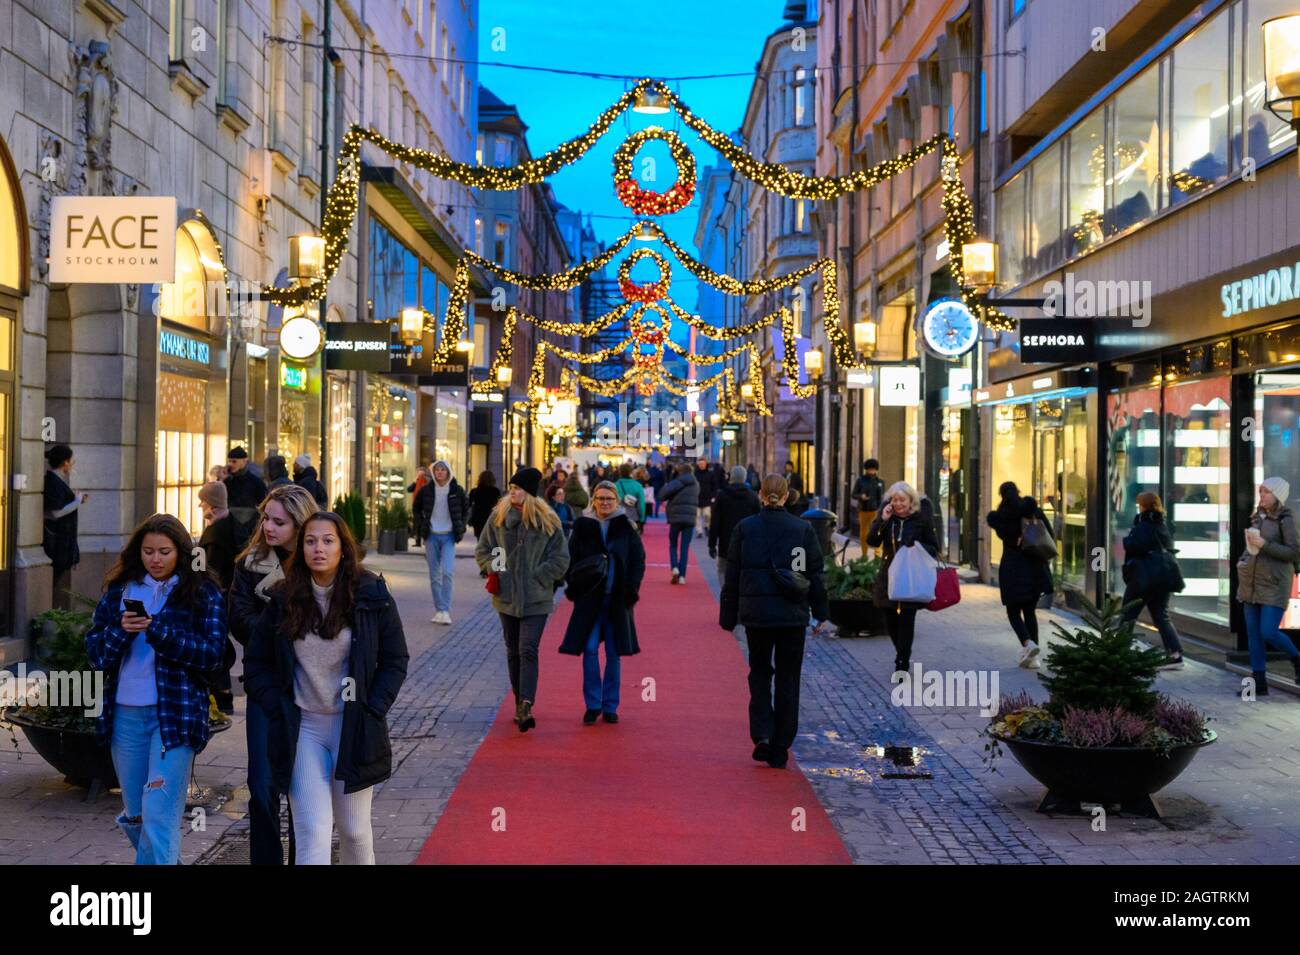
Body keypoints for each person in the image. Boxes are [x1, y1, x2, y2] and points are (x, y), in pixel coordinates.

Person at [244, 512, 409, 865]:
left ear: (343, 547)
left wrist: (372, 707)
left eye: (328, 540)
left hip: (354, 727)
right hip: (303, 729)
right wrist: (277, 705)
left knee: (354, 831)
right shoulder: (283, 598)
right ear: (301, 547)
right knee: (313, 833)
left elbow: (395, 659)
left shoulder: (371, 593)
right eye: (310, 541)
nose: (319, 548)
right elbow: (256, 663)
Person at [85, 513, 227, 864]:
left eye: (164, 551)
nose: (156, 559)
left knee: (159, 815)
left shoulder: (201, 592)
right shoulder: (121, 590)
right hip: (125, 716)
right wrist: (123, 630)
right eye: (148, 551)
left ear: (181, 551)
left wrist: (158, 631)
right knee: (137, 814)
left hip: (175, 718)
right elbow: (95, 655)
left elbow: (212, 655)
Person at [228, 484, 319, 865]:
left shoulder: (322, 561)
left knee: (303, 786)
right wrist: (279, 627)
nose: (268, 526)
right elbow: (239, 621)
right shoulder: (248, 565)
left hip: (313, 688)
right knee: (262, 784)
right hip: (265, 685)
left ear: (299, 525)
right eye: (266, 517)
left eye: (279, 521)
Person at [719, 474, 829, 769]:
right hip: (792, 614)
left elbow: (733, 576)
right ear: (786, 497)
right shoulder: (802, 530)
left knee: (759, 672)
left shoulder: (746, 528)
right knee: (788, 677)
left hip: (757, 615)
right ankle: (781, 744)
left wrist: (728, 616)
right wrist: (820, 612)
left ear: (761, 495)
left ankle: (762, 735)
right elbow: (813, 574)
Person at [474, 467, 570, 732]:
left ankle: (526, 703)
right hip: (506, 596)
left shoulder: (547, 520)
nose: (512, 492)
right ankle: (519, 699)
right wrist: (496, 567)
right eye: (511, 487)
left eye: (518, 488)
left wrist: (540, 577)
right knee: (513, 650)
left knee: (528, 649)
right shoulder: (499, 517)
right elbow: (484, 548)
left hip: (536, 597)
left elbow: (560, 557)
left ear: (529, 493)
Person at [560, 480, 645, 724]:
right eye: (600, 498)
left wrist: (631, 590)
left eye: (609, 499)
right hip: (590, 599)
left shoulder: (625, 527)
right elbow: (570, 559)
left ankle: (610, 706)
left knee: (613, 652)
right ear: (593, 500)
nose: (605, 503)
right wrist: (574, 587)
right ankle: (592, 704)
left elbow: (638, 560)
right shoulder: (583, 525)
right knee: (588, 649)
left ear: (616, 500)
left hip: (617, 600)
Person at [867, 482, 940, 678]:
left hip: (911, 576)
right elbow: (872, 541)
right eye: (894, 499)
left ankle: (902, 662)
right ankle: (900, 651)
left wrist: (915, 545)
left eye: (902, 500)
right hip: (888, 575)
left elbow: (934, 547)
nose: (898, 503)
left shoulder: (920, 520)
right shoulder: (888, 518)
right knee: (890, 619)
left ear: (911, 502)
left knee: (906, 620)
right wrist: (882, 520)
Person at [1237, 477, 1300, 695]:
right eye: (1261, 491)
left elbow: (1293, 552)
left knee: (1268, 632)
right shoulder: (1257, 517)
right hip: (1251, 582)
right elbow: (1251, 547)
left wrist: (1265, 545)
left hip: (1275, 583)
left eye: (1266, 492)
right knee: (1253, 635)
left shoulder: (1286, 519)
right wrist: (1243, 560)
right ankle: (1258, 683)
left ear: (1278, 495)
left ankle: (1296, 658)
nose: (1262, 495)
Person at [197, 481, 255, 714]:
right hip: (231, 595)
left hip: (217, 599)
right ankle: (223, 696)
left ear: (212, 505)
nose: (200, 505)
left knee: (215, 646)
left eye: (203, 501)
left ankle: (222, 697)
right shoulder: (234, 525)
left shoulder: (214, 534)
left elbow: (206, 569)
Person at [986, 482, 1054, 669]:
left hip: (1012, 567)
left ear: (1002, 495)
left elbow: (1005, 537)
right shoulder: (1033, 512)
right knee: (1030, 611)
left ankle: (1028, 643)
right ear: (1018, 492)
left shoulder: (1000, 518)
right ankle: (1034, 658)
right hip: (1034, 566)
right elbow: (1050, 534)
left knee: (1013, 611)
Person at [1119, 491, 1185, 670]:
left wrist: (1127, 539)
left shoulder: (1143, 525)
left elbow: (1136, 546)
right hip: (1162, 577)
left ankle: (1117, 653)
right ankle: (1175, 653)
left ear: (1143, 506)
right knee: (1161, 616)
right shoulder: (1163, 523)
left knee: (1128, 614)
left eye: (1139, 504)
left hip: (1143, 578)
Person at [413, 460, 468, 626]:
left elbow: (466, 509)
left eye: (443, 469)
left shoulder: (456, 490)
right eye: (437, 469)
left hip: (449, 536)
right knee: (434, 575)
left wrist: (462, 526)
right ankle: (440, 609)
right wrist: (421, 524)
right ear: (433, 472)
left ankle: (445, 610)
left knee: (448, 572)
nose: (440, 472)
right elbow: (416, 508)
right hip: (431, 536)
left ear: (448, 472)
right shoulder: (426, 491)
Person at [43, 443, 86, 609]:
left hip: (61, 543)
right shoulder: (53, 482)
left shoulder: (56, 481)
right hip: (57, 544)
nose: (73, 464)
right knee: (55, 582)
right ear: (66, 462)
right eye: (71, 461)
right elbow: (55, 512)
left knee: (57, 581)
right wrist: (76, 502)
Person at [710, 465, 760, 579]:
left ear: (731, 477)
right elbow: (759, 519)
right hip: (747, 539)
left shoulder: (722, 495)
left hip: (726, 539)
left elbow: (715, 521)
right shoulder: (752, 496)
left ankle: (726, 593)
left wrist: (712, 544)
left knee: (723, 570)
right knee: (743, 569)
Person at [658, 462, 700, 585]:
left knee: (673, 544)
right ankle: (682, 576)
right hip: (690, 518)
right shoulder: (696, 484)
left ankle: (675, 567)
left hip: (675, 516)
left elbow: (662, 494)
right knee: (685, 547)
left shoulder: (678, 481)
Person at [852, 459, 886, 558]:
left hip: (876, 510)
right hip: (864, 509)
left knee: (878, 532)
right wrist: (861, 496)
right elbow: (854, 494)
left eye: (874, 469)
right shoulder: (861, 480)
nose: (872, 471)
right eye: (870, 469)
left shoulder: (880, 482)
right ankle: (864, 554)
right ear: (866, 469)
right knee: (863, 533)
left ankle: (877, 554)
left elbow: (882, 496)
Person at [224, 446, 269, 511]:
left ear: (244, 461)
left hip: (251, 519)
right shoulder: (227, 481)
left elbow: (263, 504)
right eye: (229, 461)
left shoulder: (256, 482)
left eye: (234, 461)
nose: (230, 464)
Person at [467, 470, 502, 541]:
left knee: (480, 540)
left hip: (478, 521)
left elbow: (469, 505)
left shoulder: (474, 491)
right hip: (492, 519)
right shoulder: (496, 492)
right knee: (492, 541)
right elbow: (500, 506)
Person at [614, 462, 646, 529]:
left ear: (620, 472)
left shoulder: (615, 485)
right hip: (633, 517)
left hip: (617, 517)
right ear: (631, 472)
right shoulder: (637, 485)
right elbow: (641, 505)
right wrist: (642, 518)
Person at [407, 465, 432, 547]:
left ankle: (425, 540)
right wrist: (414, 481)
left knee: (424, 523)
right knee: (417, 524)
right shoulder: (416, 481)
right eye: (418, 472)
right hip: (417, 506)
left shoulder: (428, 481)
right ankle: (418, 542)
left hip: (425, 506)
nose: (420, 474)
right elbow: (409, 489)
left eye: (421, 472)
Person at [695, 457, 719, 536]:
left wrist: (713, 496)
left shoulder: (710, 474)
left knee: (707, 515)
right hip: (696, 498)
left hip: (707, 498)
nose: (701, 465)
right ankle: (699, 531)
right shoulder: (695, 474)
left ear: (706, 464)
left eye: (703, 464)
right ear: (698, 464)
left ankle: (706, 526)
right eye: (700, 464)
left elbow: (714, 486)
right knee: (697, 516)